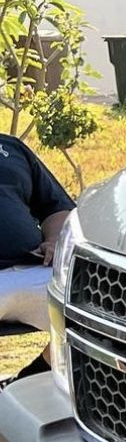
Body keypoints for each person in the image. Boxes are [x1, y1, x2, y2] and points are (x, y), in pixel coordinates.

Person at [0, 133, 75, 383]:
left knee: (97, 310)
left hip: (33, 269)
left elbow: (57, 207)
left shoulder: (10, 147)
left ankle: (21, 387)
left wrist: (54, 241)